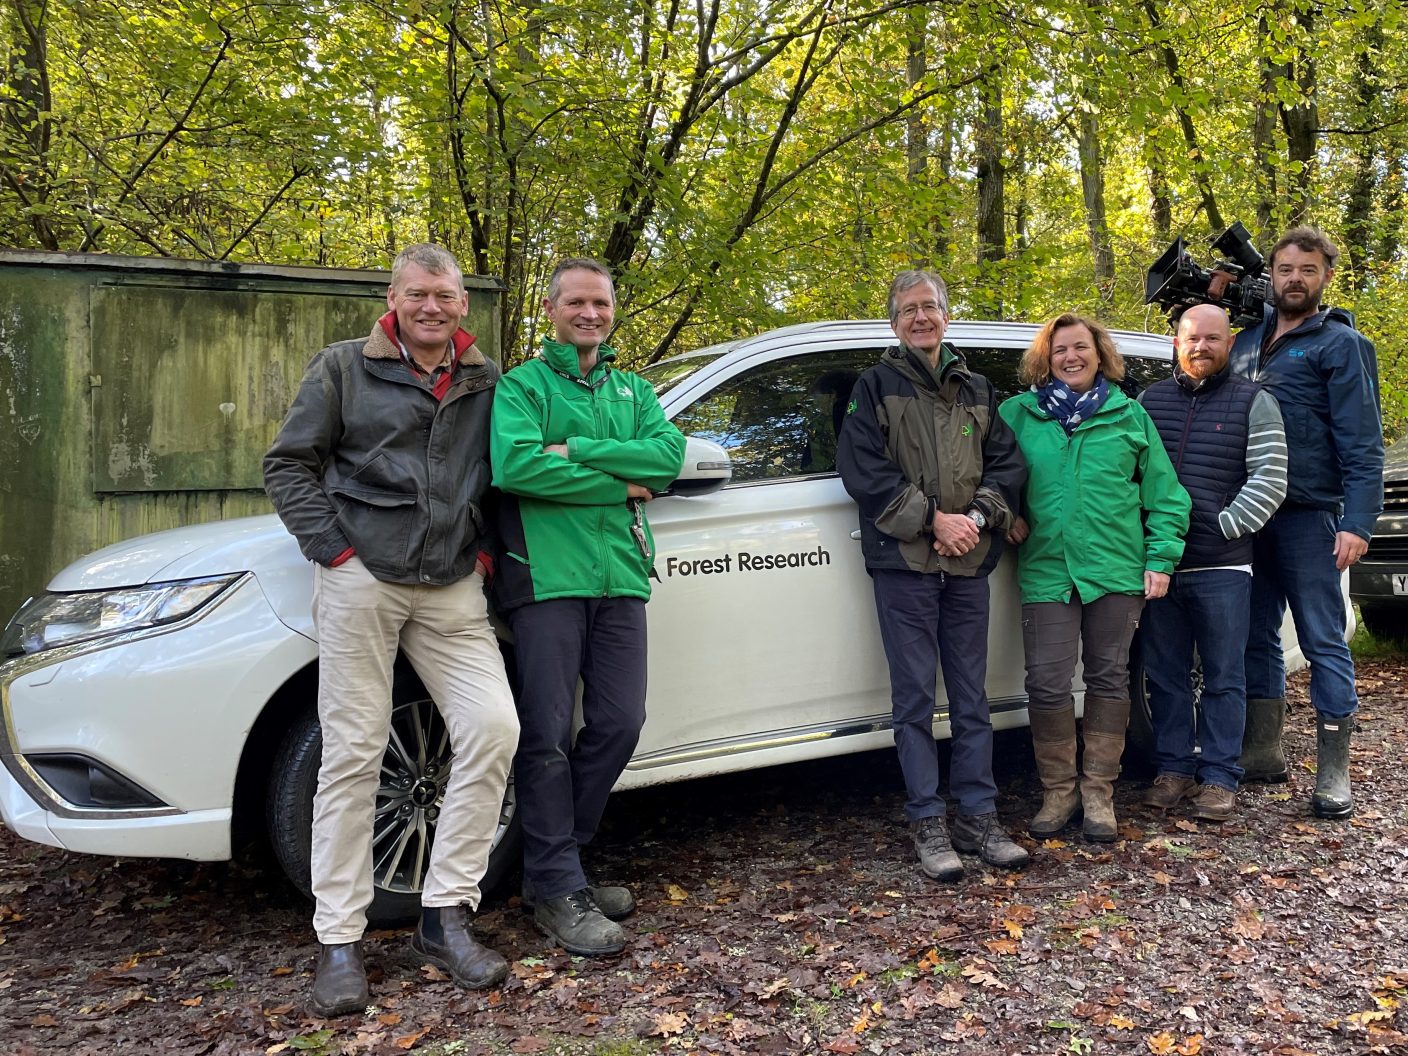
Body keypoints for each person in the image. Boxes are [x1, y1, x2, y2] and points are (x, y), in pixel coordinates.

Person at [264, 244, 519, 1016]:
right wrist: (335, 553)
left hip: (450, 587)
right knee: (353, 750)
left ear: (462, 303)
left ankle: (445, 917)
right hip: (362, 577)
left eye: (444, 295)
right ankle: (339, 939)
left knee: (494, 729)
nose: (431, 307)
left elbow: (500, 478)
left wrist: (482, 554)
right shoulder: (343, 367)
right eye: (417, 294)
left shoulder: (487, 380)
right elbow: (288, 465)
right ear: (394, 300)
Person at [490, 258, 686, 956]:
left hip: (621, 575)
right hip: (546, 578)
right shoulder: (522, 386)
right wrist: (618, 481)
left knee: (620, 721)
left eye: (600, 302)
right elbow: (517, 466)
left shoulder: (635, 389)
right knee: (545, 734)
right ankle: (558, 886)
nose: (589, 313)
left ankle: (556, 868)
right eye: (576, 302)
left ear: (612, 310)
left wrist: (576, 449)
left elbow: (666, 458)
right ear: (551, 309)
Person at [836, 269, 1029, 881]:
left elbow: (1007, 466)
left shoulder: (978, 388)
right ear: (894, 323)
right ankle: (927, 820)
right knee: (914, 699)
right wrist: (932, 521)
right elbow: (863, 470)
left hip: (968, 564)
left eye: (930, 308)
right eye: (908, 310)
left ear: (946, 316)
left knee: (973, 698)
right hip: (905, 566)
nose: (921, 318)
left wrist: (974, 518)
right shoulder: (874, 386)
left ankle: (978, 816)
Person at [998, 314, 1190, 843]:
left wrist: (1161, 558)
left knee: (1109, 678)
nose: (1071, 357)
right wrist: (1003, 514)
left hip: (1115, 570)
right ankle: (1058, 791)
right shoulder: (1017, 414)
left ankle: (1099, 792)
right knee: (1047, 682)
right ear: (1046, 358)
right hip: (1047, 569)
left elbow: (1167, 496)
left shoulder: (1129, 415)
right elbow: (985, 475)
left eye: (1080, 347)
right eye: (1060, 349)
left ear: (1100, 354)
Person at [1229, 226, 1383, 819]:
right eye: (1286, 269)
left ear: (1326, 277)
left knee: (1322, 638)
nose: (1295, 279)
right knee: (1255, 634)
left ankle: (1334, 772)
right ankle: (1262, 751)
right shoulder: (1246, 342)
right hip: (1249, 515)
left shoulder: (1341, 344)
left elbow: (1363, 442)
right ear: (1271, 275)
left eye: (1308, 270)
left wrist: (1359, 521)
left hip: (1309, 515)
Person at [1137, 304, 1287, 822]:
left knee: (1224, 676)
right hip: (1159, 567)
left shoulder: (1254, 400)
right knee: (1164, 675)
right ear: (1176, 343)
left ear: (1229, 343)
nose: (1201, 347)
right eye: (1192, 338)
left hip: (1222, 566)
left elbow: (1271, 478)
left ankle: (1221, 777)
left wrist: (1224, 526)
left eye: (1213, 338)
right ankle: (1174, 769)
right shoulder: (1149, 401)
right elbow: (1130, 472)